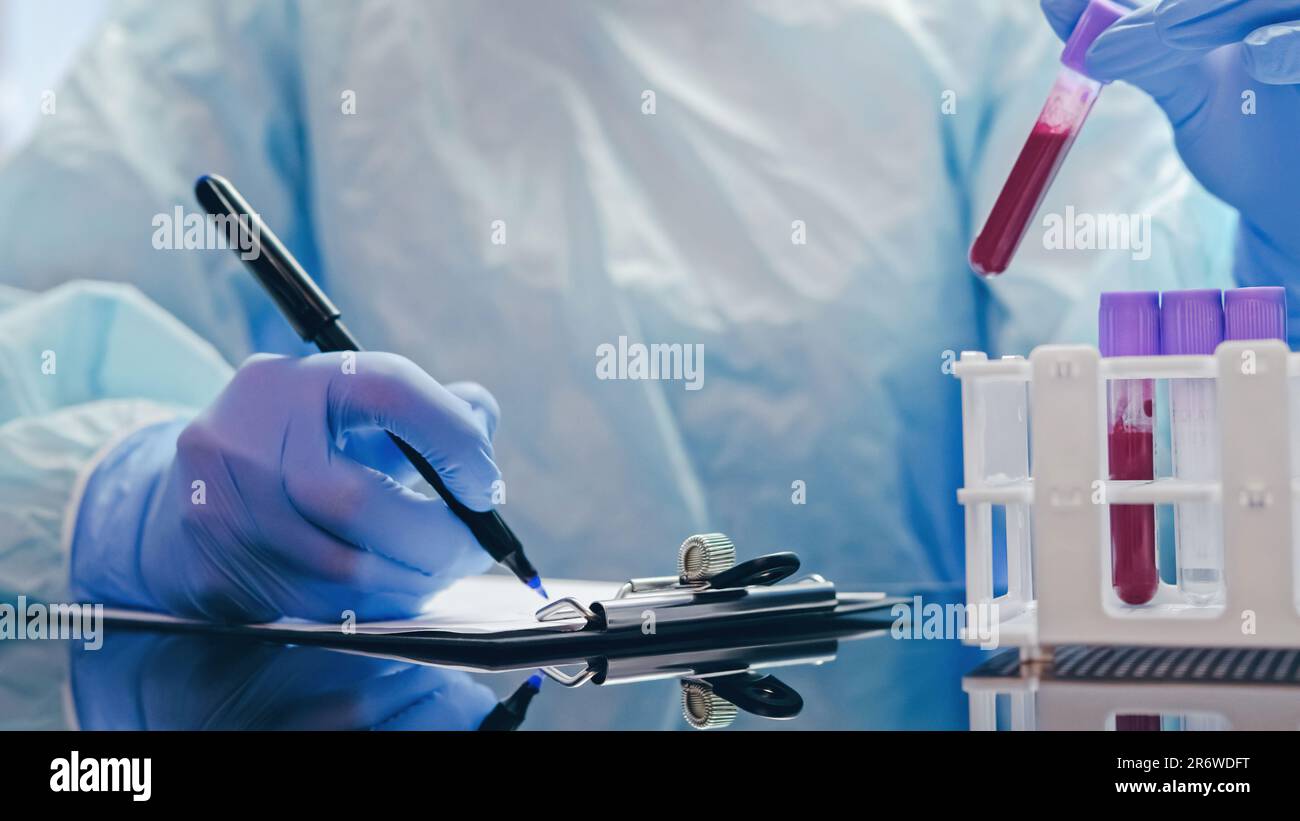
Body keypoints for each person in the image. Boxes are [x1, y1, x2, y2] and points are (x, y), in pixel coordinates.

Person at [0, 0, 1261, 622]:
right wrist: (127, 502)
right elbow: (30, 338)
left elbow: (1162, 480)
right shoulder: (266, 27)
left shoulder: (1009, 29)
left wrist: (1281, 233)